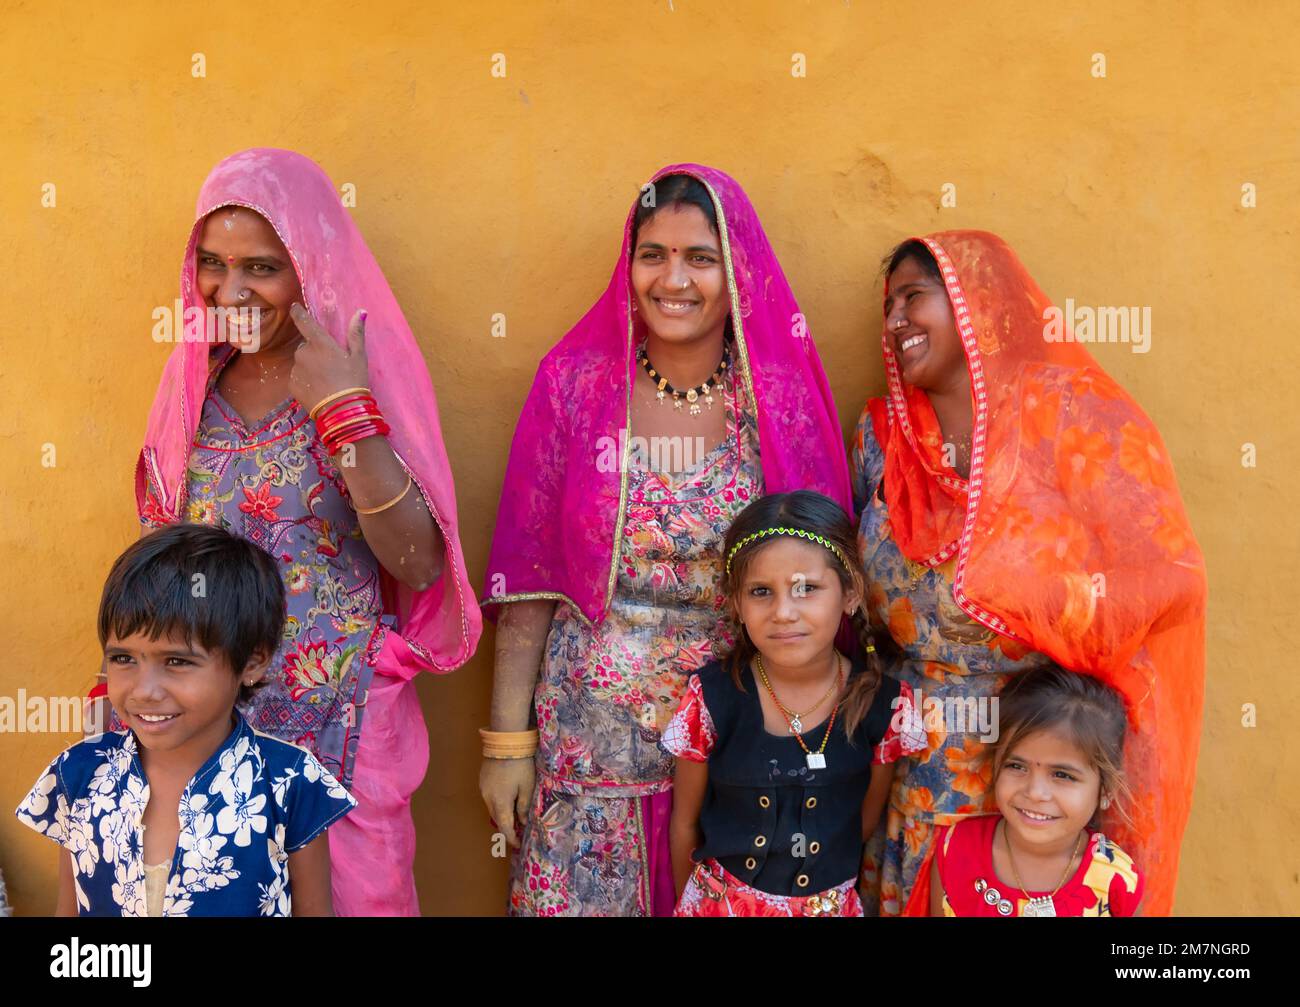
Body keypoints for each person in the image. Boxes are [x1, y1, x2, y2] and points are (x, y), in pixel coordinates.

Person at [479, 165, 852, 916]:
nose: (672, 278)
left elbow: (826, 575)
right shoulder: (575, 386)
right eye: (653, 254)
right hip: (589, 745)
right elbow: (529, 580)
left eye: (699, 258)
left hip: (744, 740)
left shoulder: (777, 401)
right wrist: (506, 744)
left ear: (735, 271)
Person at [133, 148, 481, 914]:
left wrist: (344, 409)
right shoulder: (192, 384)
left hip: (345, 728)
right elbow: (159, 561)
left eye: (261, 266)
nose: (232, 290)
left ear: (309, 262)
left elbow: (419, 563)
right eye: (213, 265)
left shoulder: (357, 371)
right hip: (210, 732)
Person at [855, 231, 1205, 916]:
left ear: (973, 304)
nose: (896, 320)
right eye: (888, 305)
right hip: (913, 766)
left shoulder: (1070, 417)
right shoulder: (883, 437)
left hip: (1039, 768)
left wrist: (1046, 600)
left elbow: (1172, 577)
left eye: (915, 297)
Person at [16, 524, 356, 916]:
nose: (144, 690)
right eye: (123, 659)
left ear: (253, 662)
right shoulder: (79, 775)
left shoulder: (291, 783)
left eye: (177, 662)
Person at [662, 491, 927, 917]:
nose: (783, 612)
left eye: (806, 588)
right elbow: (685, 825)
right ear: (736, 603)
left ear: (850, 593)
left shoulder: (884, 706)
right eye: (761, 591)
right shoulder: (712, 698)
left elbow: (861, 824)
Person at [922, 666, 1144, 916]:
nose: (1035, 792)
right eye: (1016, 766)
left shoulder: (1116, 880)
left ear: (1106, 790)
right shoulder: (956, 849)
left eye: (1062, 775)